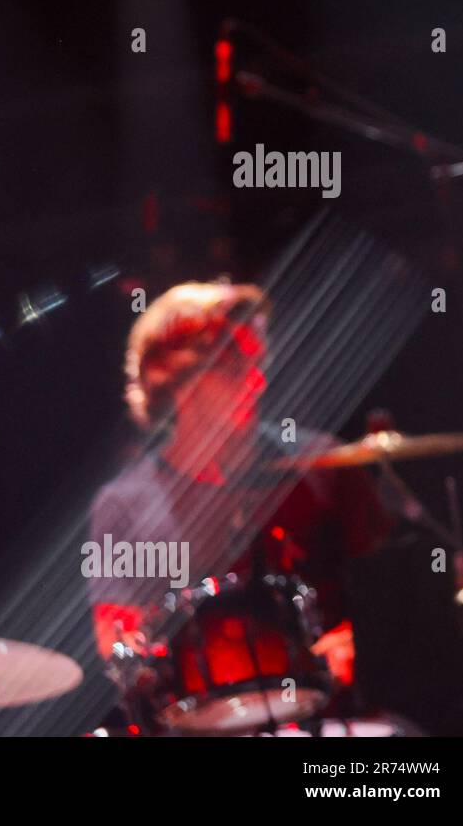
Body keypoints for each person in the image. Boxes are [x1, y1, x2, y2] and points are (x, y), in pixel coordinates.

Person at [86, 282, 390, 686]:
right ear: (174, 374)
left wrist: (359, 637)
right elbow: (117, 639)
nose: (257, 383)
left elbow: (392, 588)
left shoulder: (324, 465)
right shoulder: (122, 505)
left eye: (256, 363)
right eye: (233, 366)